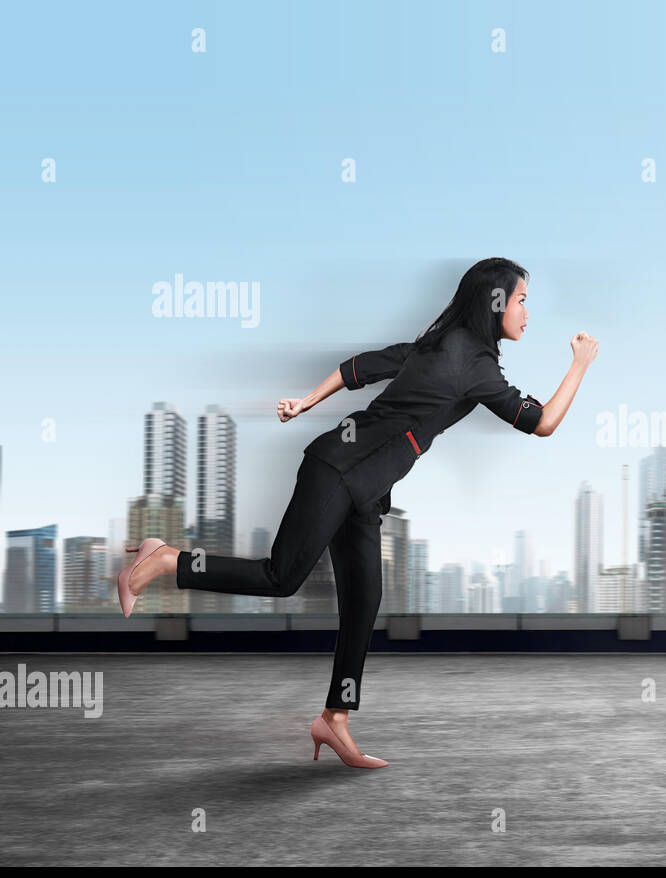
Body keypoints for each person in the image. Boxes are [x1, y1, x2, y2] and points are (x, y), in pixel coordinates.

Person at [115, 257, 599, 768]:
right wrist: (580, 365)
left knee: (365, 598)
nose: (527, 312)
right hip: (339, 472)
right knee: (281, 577)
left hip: (364, 488)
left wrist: (305, 402)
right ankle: (165, 559)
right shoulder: (471, 364)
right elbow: (542, 422)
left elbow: (360, 368)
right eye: (522, 300)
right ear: (495, 301)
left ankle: (335, 720)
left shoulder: (443, 346)